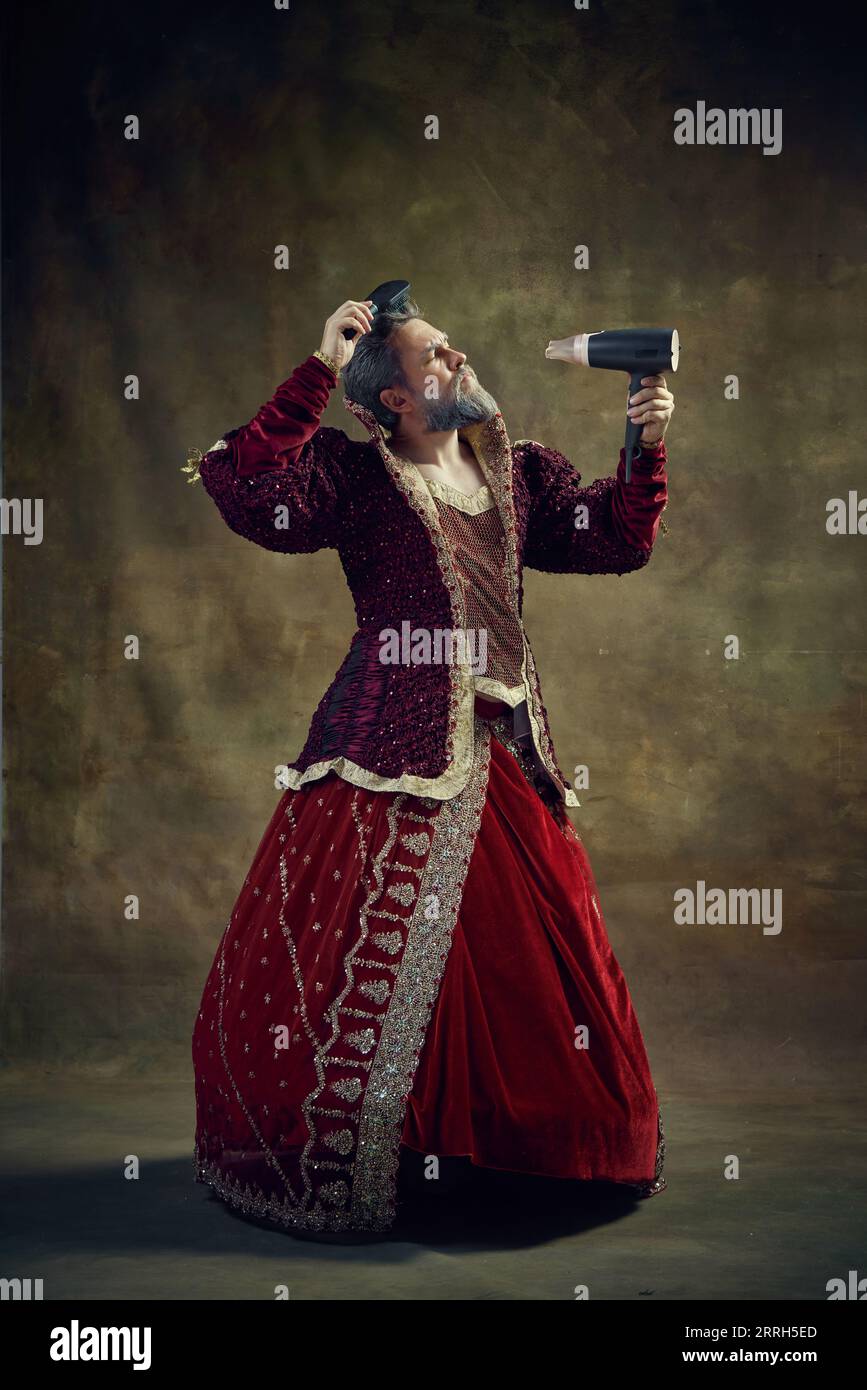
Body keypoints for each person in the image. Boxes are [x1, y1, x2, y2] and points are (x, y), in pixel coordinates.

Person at [189, 292, 674, 1237]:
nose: (457, 355)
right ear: (395, 402)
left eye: (447, 345)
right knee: (383, 952)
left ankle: (515, 1143)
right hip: (390, 748)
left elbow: (613, 537)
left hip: (506, 746)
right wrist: (320, 367)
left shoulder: (516, 469)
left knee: (523, 960)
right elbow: (251, 486)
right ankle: (387, 1152)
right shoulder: (353, 478)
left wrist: (642, 443)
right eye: (432, 356)